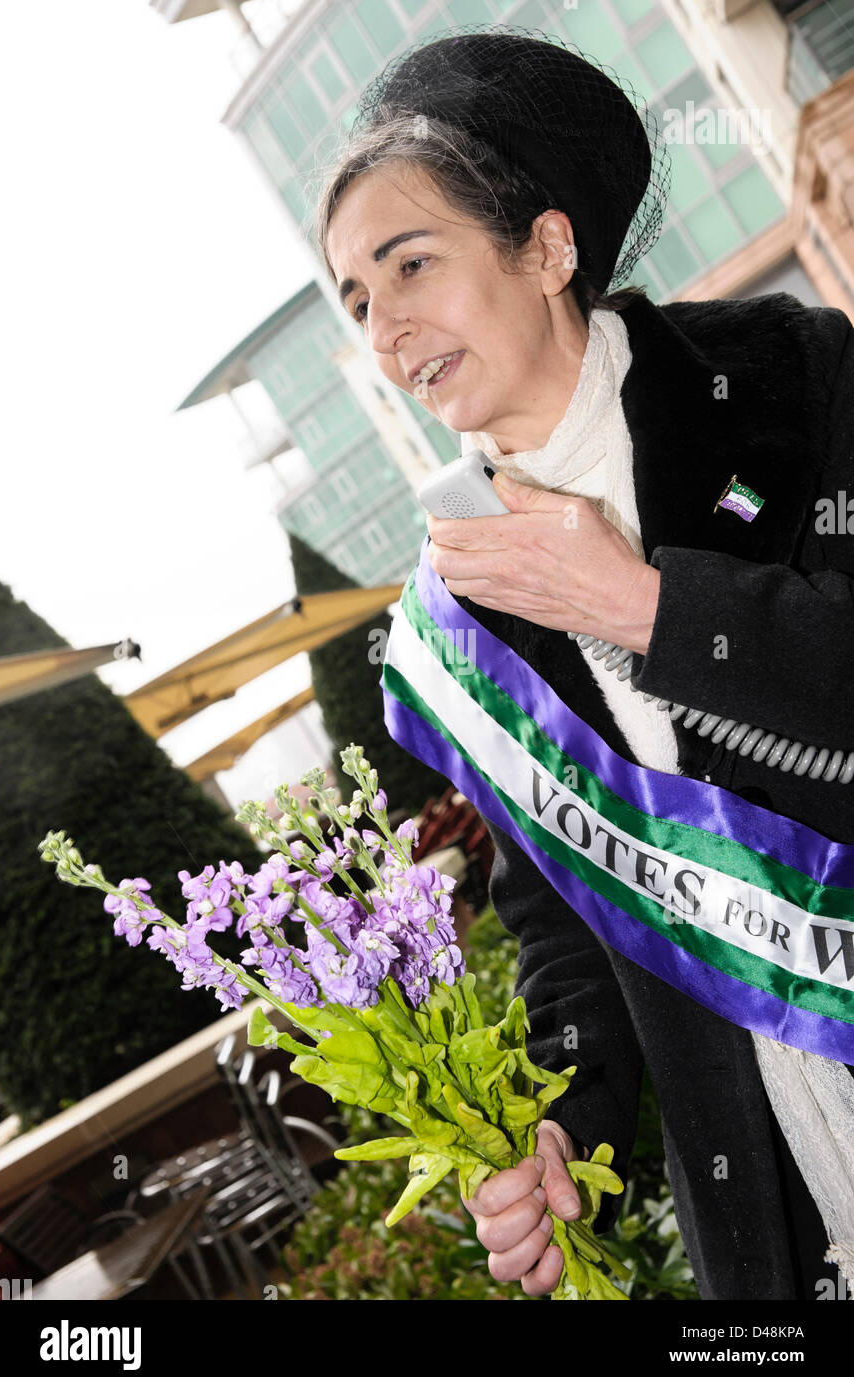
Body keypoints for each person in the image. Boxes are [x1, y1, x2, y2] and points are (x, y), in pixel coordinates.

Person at [315, 25, 854, 1301]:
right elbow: (566, 924)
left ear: (548, 249)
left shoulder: (796, 380)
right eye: (355, 300)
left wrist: (651, 606)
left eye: (409, 265)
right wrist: (564, 1129)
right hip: (784, 1218)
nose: (385, 328)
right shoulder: (464, 608)